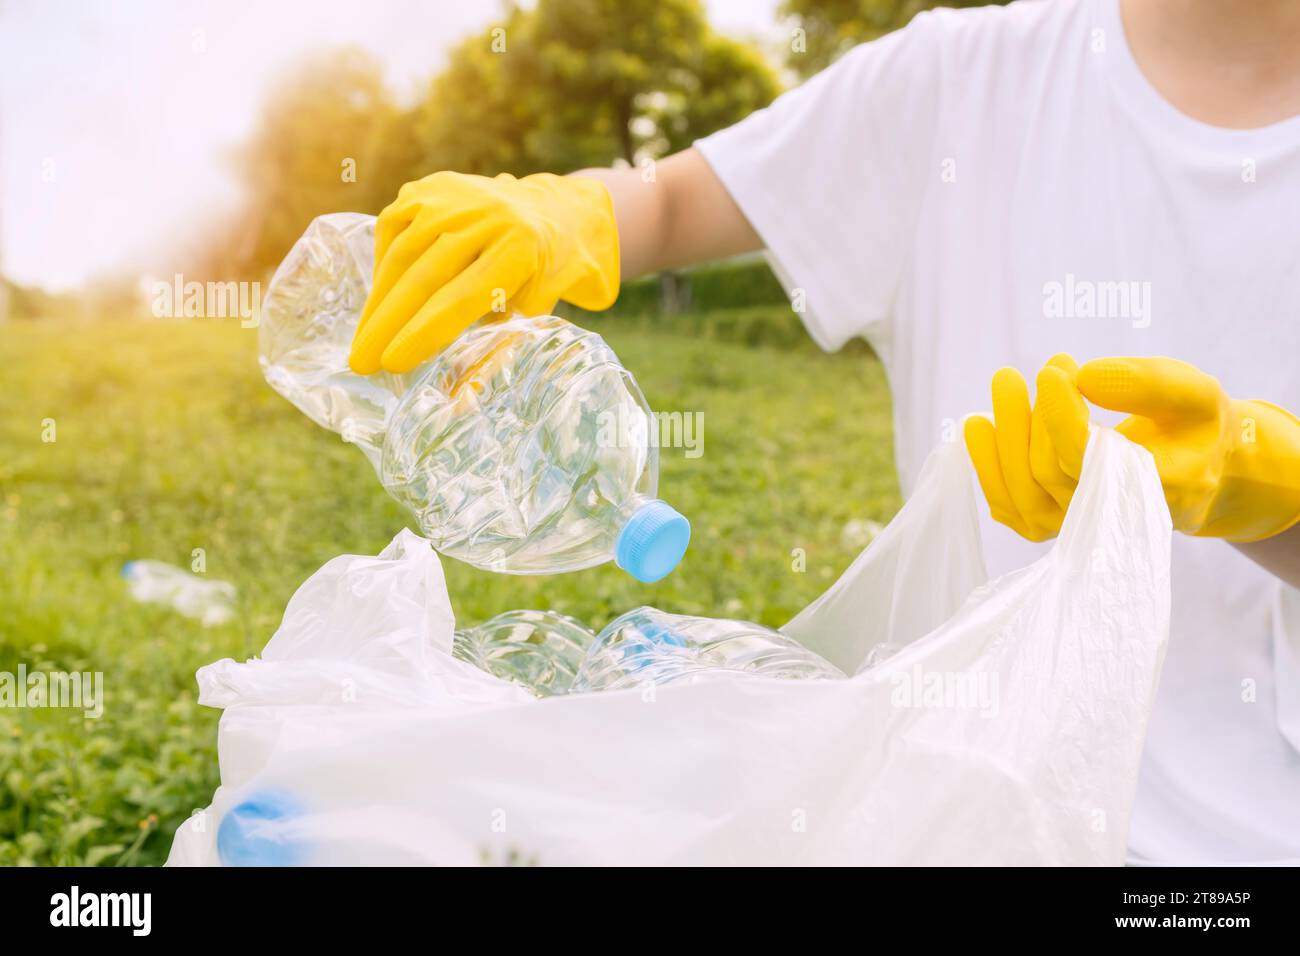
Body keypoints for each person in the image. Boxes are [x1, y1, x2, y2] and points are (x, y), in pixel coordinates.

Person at [348, 0, 1300, 864]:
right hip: (957, 806)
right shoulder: (959, 80)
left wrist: (1268, 494)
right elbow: (675, 201)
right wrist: (574, 209)